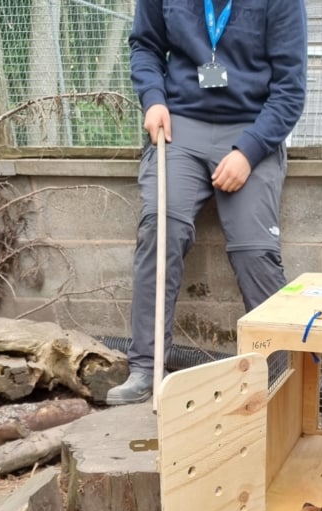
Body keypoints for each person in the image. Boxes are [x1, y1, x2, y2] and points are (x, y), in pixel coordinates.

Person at [107, 0, 308, 405]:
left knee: (255, 252)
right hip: (182, 124)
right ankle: (146, 366)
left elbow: (290, 89)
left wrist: (249, 151)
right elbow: (145, 45)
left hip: (252, 127)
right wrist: (153, 98)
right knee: (160, 227)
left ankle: (285, 371)